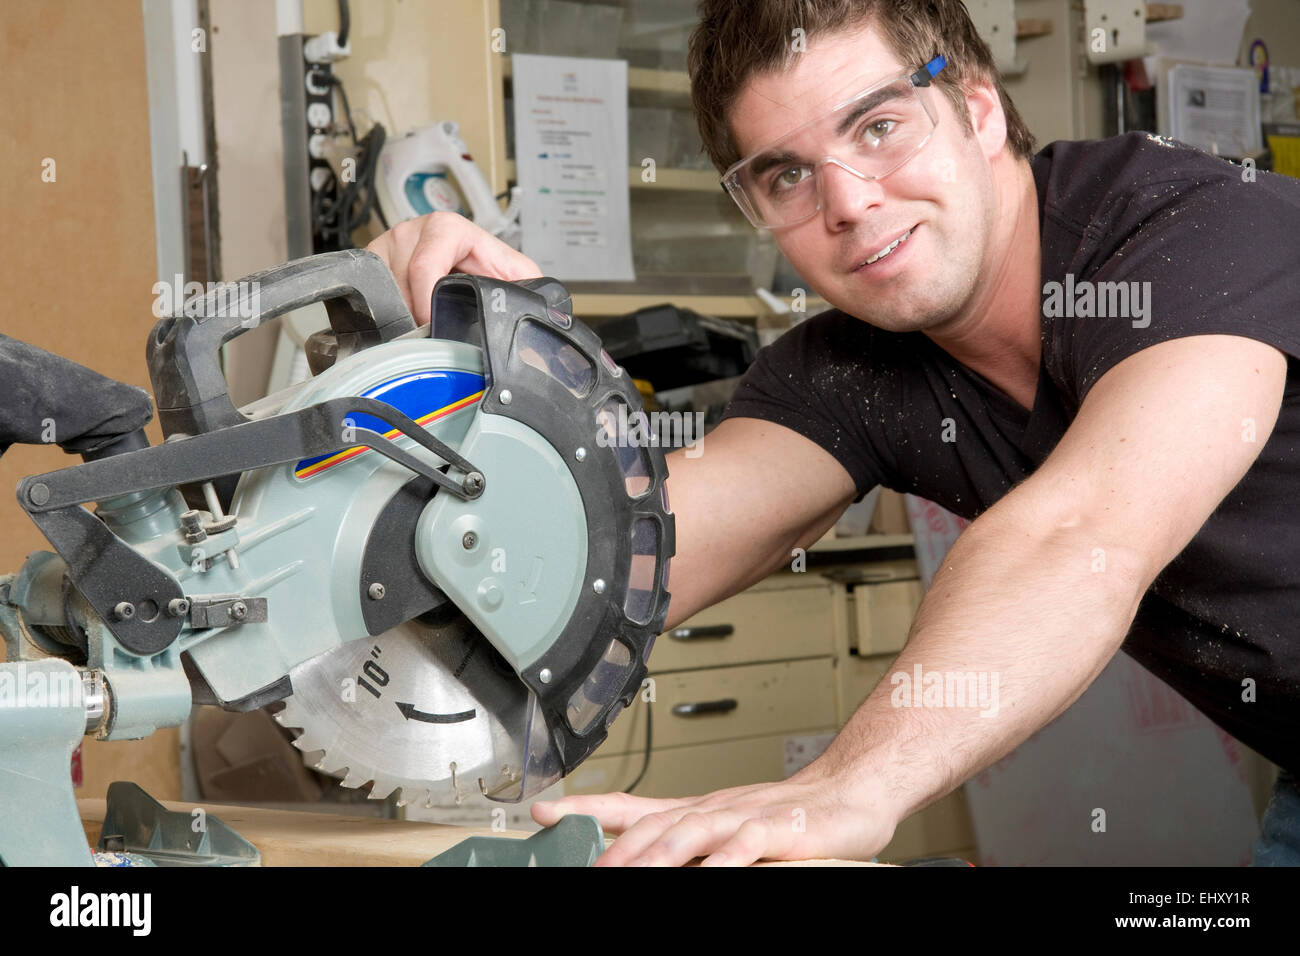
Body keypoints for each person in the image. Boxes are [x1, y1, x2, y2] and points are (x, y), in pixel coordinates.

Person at [366, 0, 1300, 866]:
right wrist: (436, 367)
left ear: (977, 110)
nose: (847, 203)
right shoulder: (851, 367)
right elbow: (613, 556)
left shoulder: (1190, 230)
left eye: (879, 127)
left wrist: (849, 785)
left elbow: (1084, 530)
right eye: (786, 175)